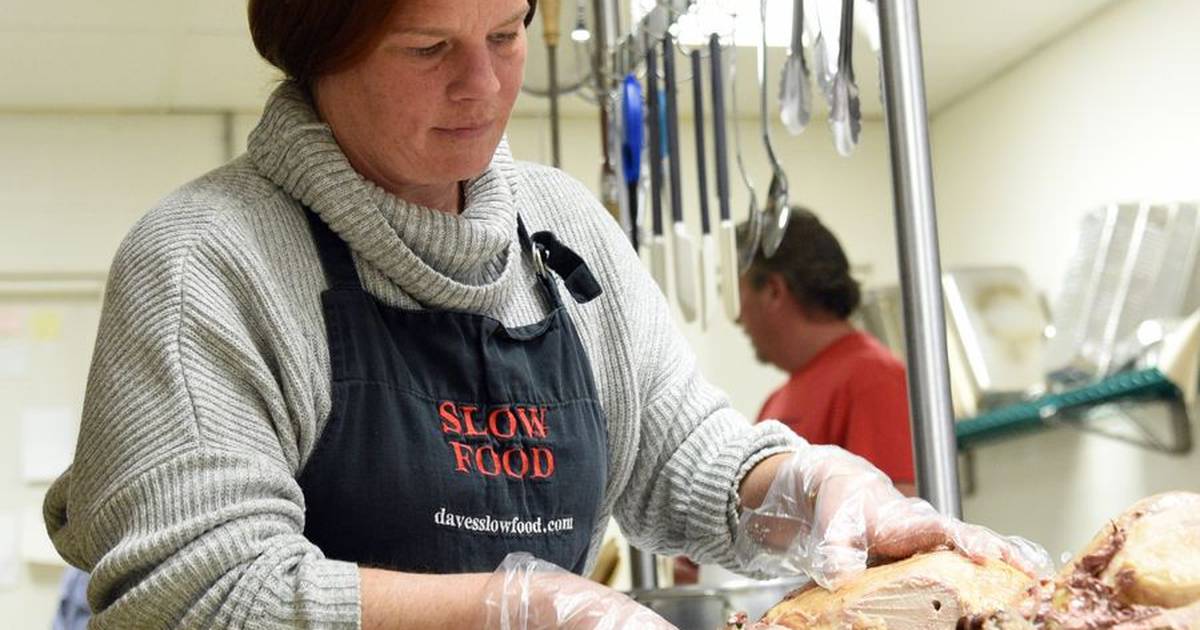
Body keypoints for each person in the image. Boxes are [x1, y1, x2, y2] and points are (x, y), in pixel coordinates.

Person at [42, 1, 1045, 628]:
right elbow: (201, 598)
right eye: (428, 46)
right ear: (322, 45)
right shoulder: (205, 262)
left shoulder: (567, 227)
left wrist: (802, 489)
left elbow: (680, 450)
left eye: (507, 33)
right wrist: (511, 610)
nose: (481, 87)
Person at [738, 207, 917, 495]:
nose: (737, 317)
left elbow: (898, 519)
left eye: (739, 293)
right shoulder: (775, 402)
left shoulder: (874, 379)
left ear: (773, 290)